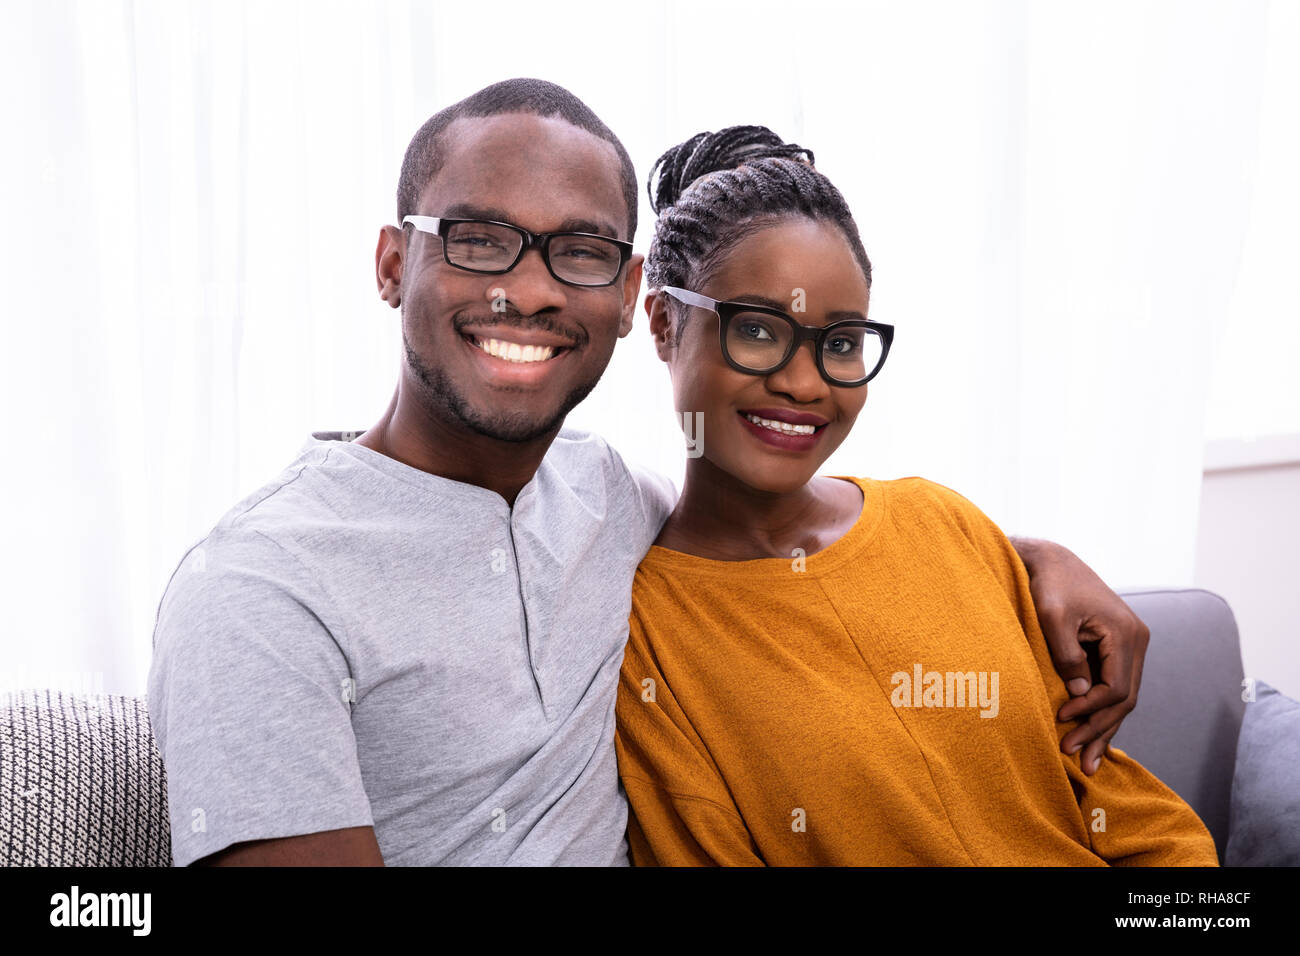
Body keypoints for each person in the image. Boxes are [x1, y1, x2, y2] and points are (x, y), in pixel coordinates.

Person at [149, 79, 1153, 867]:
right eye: (479, 238)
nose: (529, 289)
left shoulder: (607, 502)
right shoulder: (255, 590)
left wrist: (1029, 559)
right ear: (389, 264)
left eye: (579, 252)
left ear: (632, 297)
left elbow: (790, 539)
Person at [613, 126, 1218, 866]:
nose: (805, 384)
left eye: (839, 343)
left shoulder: (943, 523)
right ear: (664, 323)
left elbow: (1128, 819)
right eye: (759, 331)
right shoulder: (643, 638)